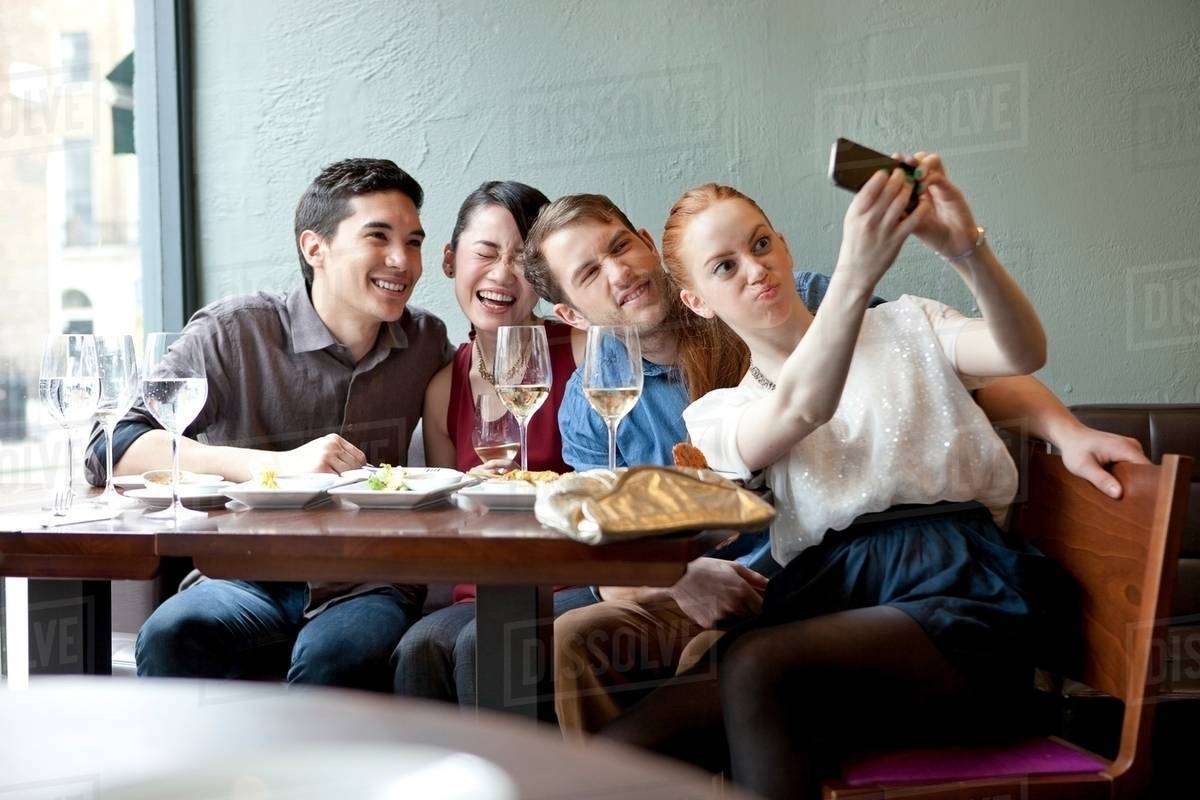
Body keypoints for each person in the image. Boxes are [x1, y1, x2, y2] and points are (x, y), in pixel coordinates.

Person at [520, 191, 1147, 735]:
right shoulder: (645, 402)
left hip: (824, 572)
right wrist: (681, 574)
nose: (620, 271)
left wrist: (1063, 428)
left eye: (620, 245)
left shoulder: (818, 298)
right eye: (590, 272)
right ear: (571, 314)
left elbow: (932, 371)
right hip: (769, 577)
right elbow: (610, 527)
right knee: (579, 638)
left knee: (733, 662)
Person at [602, 160, 1074, 799]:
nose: (754, 268)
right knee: (620, 755)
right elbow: (803, 408)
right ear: (696, 302)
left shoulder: (909, 324)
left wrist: (966, 249)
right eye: (725, 267)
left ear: (785, 245)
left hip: (961, 593)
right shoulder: (719, 413)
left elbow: (1022, 352)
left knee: (757, 664)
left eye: (761, 244)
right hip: (828, 602)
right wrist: (856, 272)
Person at [84, 158, 453, 692]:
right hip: (242, 575)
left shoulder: (425, 341)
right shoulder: (236, 333)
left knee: (338, 657)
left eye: (414, 242)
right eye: (379, 237)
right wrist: (274, 467)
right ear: (314, 248)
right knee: (173, 633)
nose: (402, 261)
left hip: (369, 583)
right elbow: (112, 444)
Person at [393, 181, 595, 706]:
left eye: (526, 263)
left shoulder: (582, 348)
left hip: (574, 579)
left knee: (481, 645)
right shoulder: (443, 387)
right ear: (449, 259)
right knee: (418, 647)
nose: (503, 275)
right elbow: (450, 522)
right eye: (485, 252)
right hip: (483, 586)